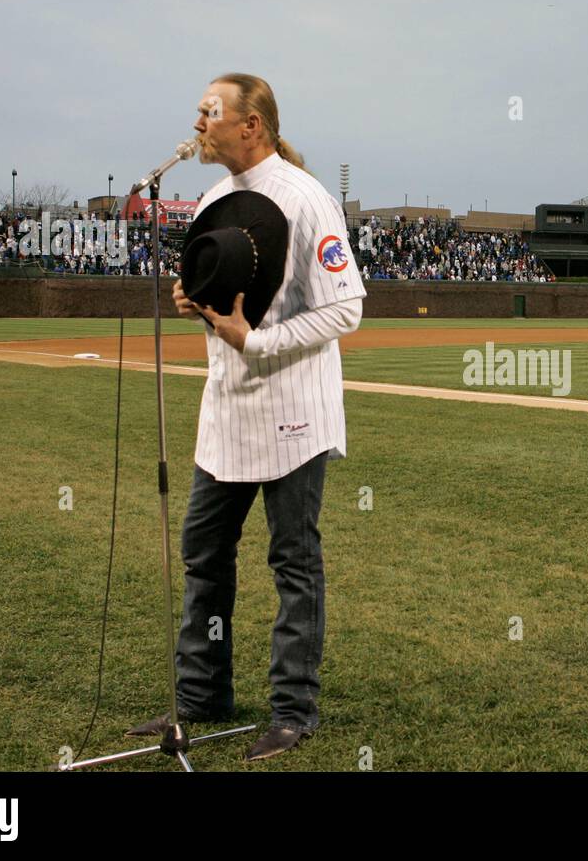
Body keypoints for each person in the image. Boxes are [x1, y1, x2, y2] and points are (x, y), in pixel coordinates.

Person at [125, 73, 366, 762]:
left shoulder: (306, 197)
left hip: (293, 410)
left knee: (293, 560)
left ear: (250, 125)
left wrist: (256, 342)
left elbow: (345, 307)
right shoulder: (214, 197)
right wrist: (192, 298)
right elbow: (226, 289)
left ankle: (294, 709)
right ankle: (202, 695)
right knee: (204, 553)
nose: (199, 124)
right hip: (225, 410)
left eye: (210, 113)